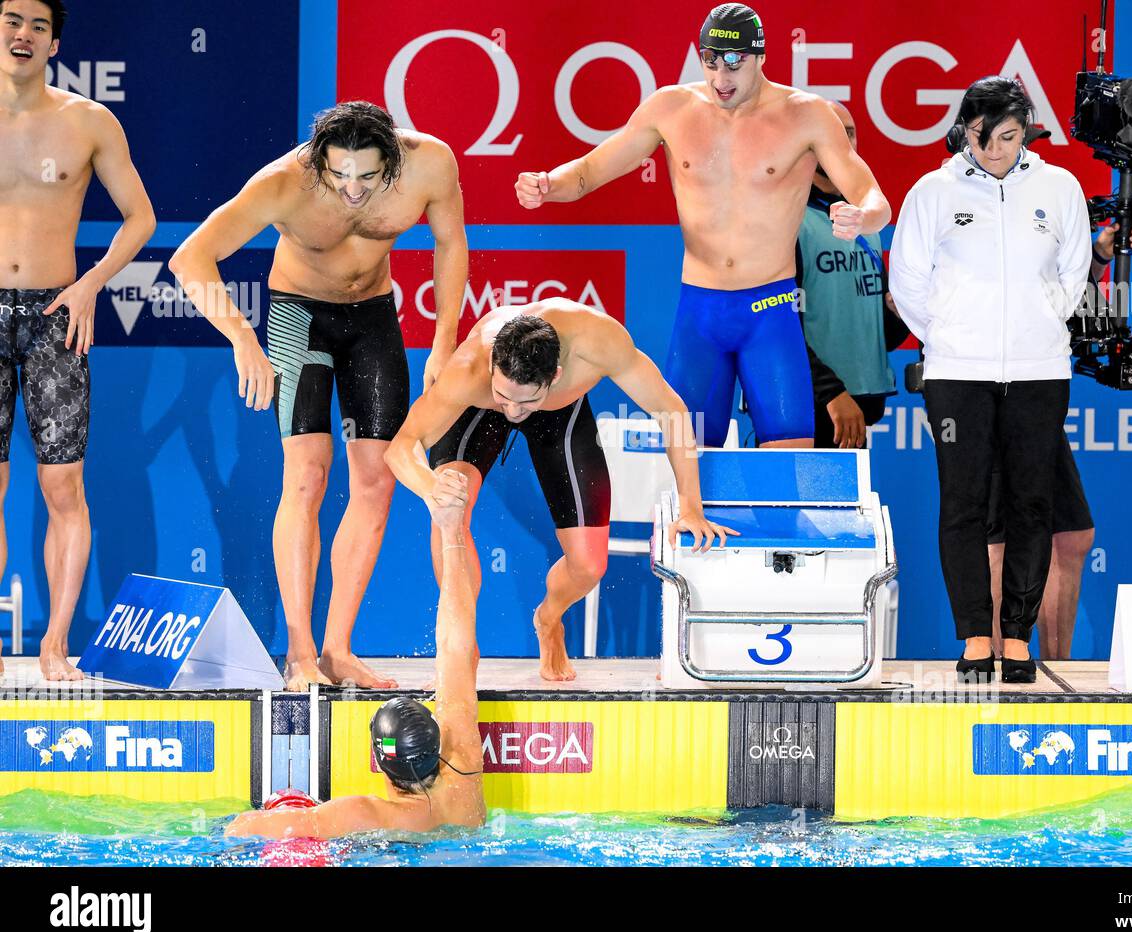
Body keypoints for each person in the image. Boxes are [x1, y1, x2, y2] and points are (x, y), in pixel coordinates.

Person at [170, 101, 469, 691]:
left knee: (378, 480)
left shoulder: (430, 163)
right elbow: (190, 258)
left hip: (375, 319)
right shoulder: (284, 182)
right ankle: (301, 652)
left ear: (393, 157)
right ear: (320, 165)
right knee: (306, 476)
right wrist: (240, 335)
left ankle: (337, 649)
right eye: (339, 177)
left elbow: (450, 244)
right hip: (296, 319)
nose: (353, 190)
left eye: (366, 176)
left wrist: (444, 341)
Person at [515, 3, 889, 450]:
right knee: (685, 465)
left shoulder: (805, 114)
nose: (720, 78)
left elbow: (874, 198)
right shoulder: (672, 108)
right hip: (700, 313)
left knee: (786, 466)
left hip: (770, 310)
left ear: (761, 57)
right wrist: (547, 184)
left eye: (734, 64)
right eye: (710, 62)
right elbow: (589, 172)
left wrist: (862, 216)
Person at [384, 299, 735, 682]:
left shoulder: (598, 340)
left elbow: (672, 411)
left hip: (560, 413)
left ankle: (549, 618)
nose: (514, 411)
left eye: (526, 400)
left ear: (556, 374)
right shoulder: (469, 368)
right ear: (492, 368)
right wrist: (430, 485)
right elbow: (402, 447)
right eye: (506, 397)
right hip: (477, 410)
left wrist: (690, 504)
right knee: (450, 505)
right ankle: (462, 648)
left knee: (588, 566)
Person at [889, 76, 1092, 683]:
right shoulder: (932, 191)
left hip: (1039, 371)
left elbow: (1074, 271)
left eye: (1008, 136)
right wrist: (950, 337)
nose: (996, 149)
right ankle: (977, 635)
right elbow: (908, 283)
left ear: (1025, 131)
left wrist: (1038, 323)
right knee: (963, 506)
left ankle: (1017, 637)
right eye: (983, 137)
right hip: (957, 374)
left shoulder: (1060, 187)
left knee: (1033, 505)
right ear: (963, 131)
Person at [0, 0, 155, 681]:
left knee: (63, 485)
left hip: (54, 316)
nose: (22, 34)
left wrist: (92, 282)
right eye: (11, 20)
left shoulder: (88, 121)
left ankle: (56, 642)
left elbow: (140, 217)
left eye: (37, 25)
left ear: (54, 41)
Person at [227, 469, 485, 839]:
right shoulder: (465, 774)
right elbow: (456, 646)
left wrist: (282, 807)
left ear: (380, 762)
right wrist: (451, 530)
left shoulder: (368, 813)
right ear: (438, 747)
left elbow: (242, 829)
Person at [987, 220, 1132, 660]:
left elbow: (1057, 295)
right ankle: (1000, 666)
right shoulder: (966, 199)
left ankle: (1059, 670)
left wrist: (1096, 258)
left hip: (1038, 387)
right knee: (998, 538)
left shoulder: (1041, 195)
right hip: (984, 384)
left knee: (1070, 536)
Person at [795, 99, 910, 449]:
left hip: (857, 404)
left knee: (850, 504)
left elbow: (881, 334)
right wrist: (831, 393)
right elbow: (775, 326)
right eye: (830, 134)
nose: (841, 144)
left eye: (848, 135)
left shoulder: (868, 219)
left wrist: (896, 314)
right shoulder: (789, 219)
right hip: (811, 406)